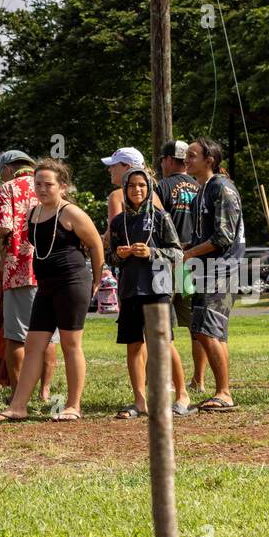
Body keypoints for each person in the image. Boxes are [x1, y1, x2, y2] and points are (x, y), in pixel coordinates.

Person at [0, 159, 104, 423]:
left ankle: (74, 405)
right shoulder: (33, 213)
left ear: (62, 186)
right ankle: (18, 406)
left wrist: (97, 280)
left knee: (70, 343)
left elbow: (96, 244)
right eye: (38, 184)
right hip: (45, 286)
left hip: (72, 283)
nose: (41, 189)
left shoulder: (71, 213)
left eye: (48, 184)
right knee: (33, 345)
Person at [108, 168, 194, 418]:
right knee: (134, 345)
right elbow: (110, 256)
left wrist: (152, 253)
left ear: (149, 189)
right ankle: (140, 401)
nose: (137, 190)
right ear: (124, 189)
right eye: (132, 185)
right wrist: (118, 255)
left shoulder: (161, 217)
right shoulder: (117, 221)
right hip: (129, 289)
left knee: (163, 344)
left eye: (142, 186)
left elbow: (177, 253)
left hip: (157, 287)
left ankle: (182, 395)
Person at [0, 150, 57, 400]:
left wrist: (0, 233)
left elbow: (1, 227)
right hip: (51, 268)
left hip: (19, 268)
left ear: (8, 168)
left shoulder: (8, 188)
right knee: (49, 334)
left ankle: (19, 394)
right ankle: (45, 392)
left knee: (16, 335)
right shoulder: (52, 184)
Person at [183, 136, 245, 411]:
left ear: (210, 160)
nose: (187, 158)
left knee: (209, 330)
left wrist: (189, 253)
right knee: (204, 330)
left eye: (192, 155)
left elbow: (223, 237)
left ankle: (225, 393)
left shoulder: (221, 187)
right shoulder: (202, 189)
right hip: (205, 268)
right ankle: (221, 391)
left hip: (221, 268)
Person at [156, 139, 207, 391]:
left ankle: (168, 380)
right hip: (194, 259)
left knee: (164, 321)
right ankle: (199, 379)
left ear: (167, 160)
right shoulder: (201, 186)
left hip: (167, 262)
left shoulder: (161, 186)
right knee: (196, 324)